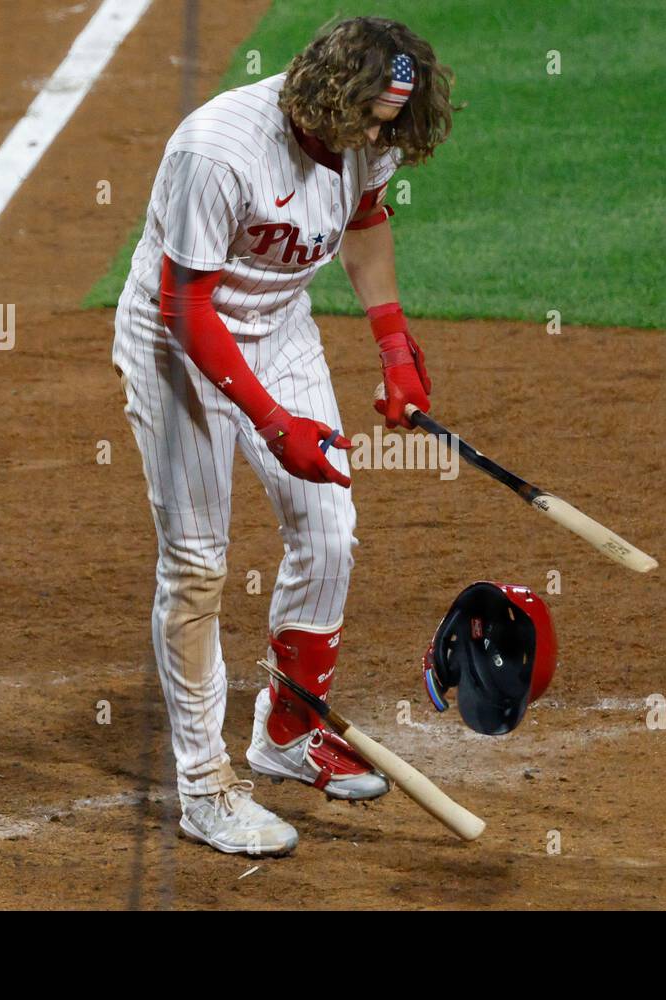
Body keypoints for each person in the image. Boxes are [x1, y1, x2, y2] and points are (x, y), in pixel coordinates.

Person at [111, 16, 456, 855]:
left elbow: (367, 220)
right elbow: (186, 306)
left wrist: (393, 343)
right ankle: (204, 789)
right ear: (326, 95)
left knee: (329, 532)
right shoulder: (217, 151)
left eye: (390, 121)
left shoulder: (368, 134)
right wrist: (269, 422)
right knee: (197, 565)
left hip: (278, 327)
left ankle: (288, 733)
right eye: (372, 118)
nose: (381, 136)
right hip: (178, 344)